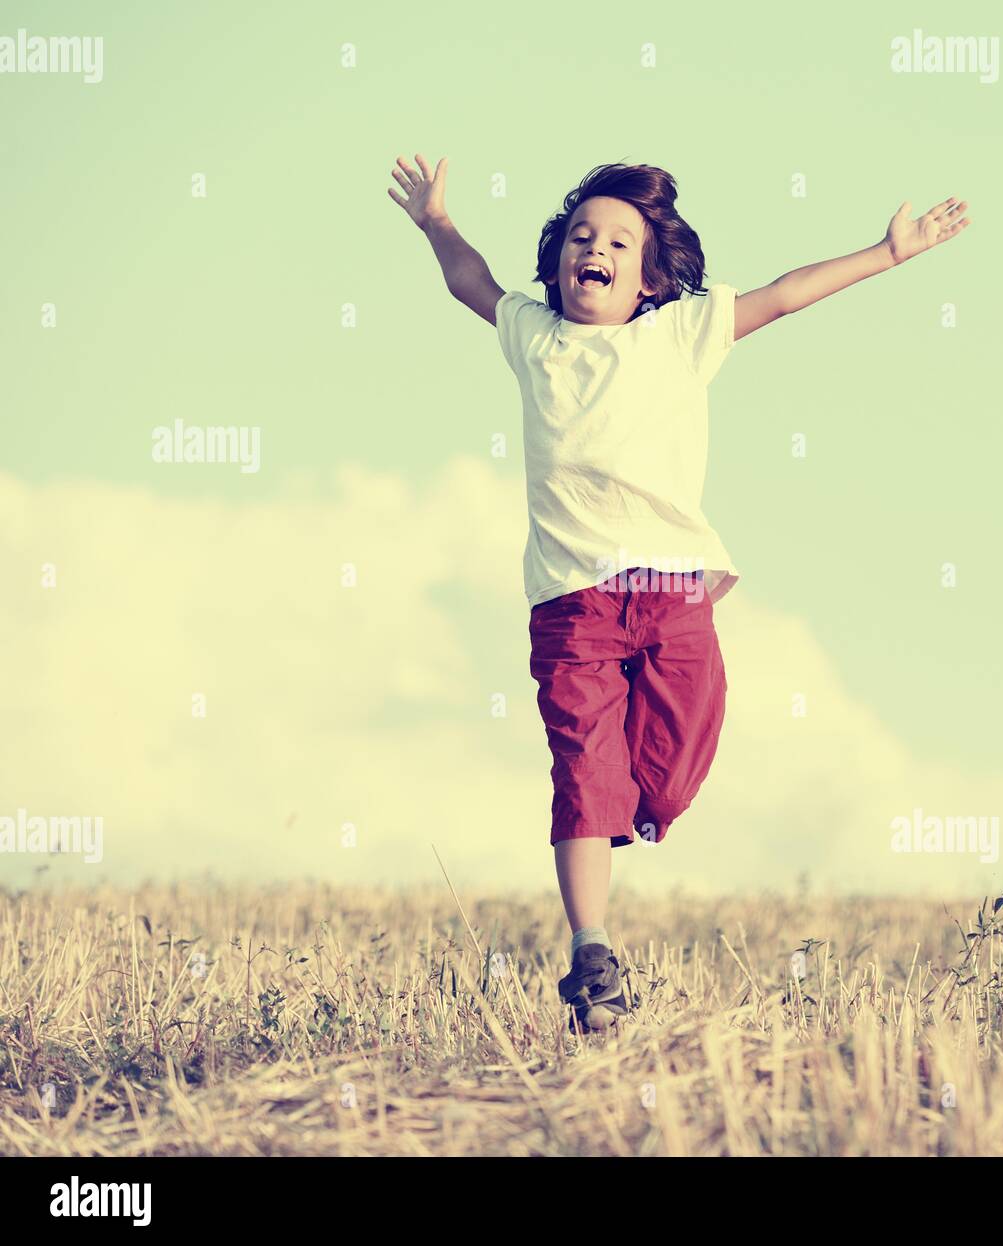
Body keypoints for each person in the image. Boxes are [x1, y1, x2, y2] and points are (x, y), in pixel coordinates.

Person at [389, 154, 969, 1031]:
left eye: (619, 240)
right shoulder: (534, 334)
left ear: (651, 278)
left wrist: (885, 255)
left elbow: (782, 294)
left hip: (673, 591)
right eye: (581, 236)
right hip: (573, 603)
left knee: (677, 755)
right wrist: (436, 222)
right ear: (556, 264)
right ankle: (593, 949)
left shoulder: (680, 333)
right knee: (583, 772)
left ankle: (646, 811)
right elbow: (470, 282)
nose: (596, 247)